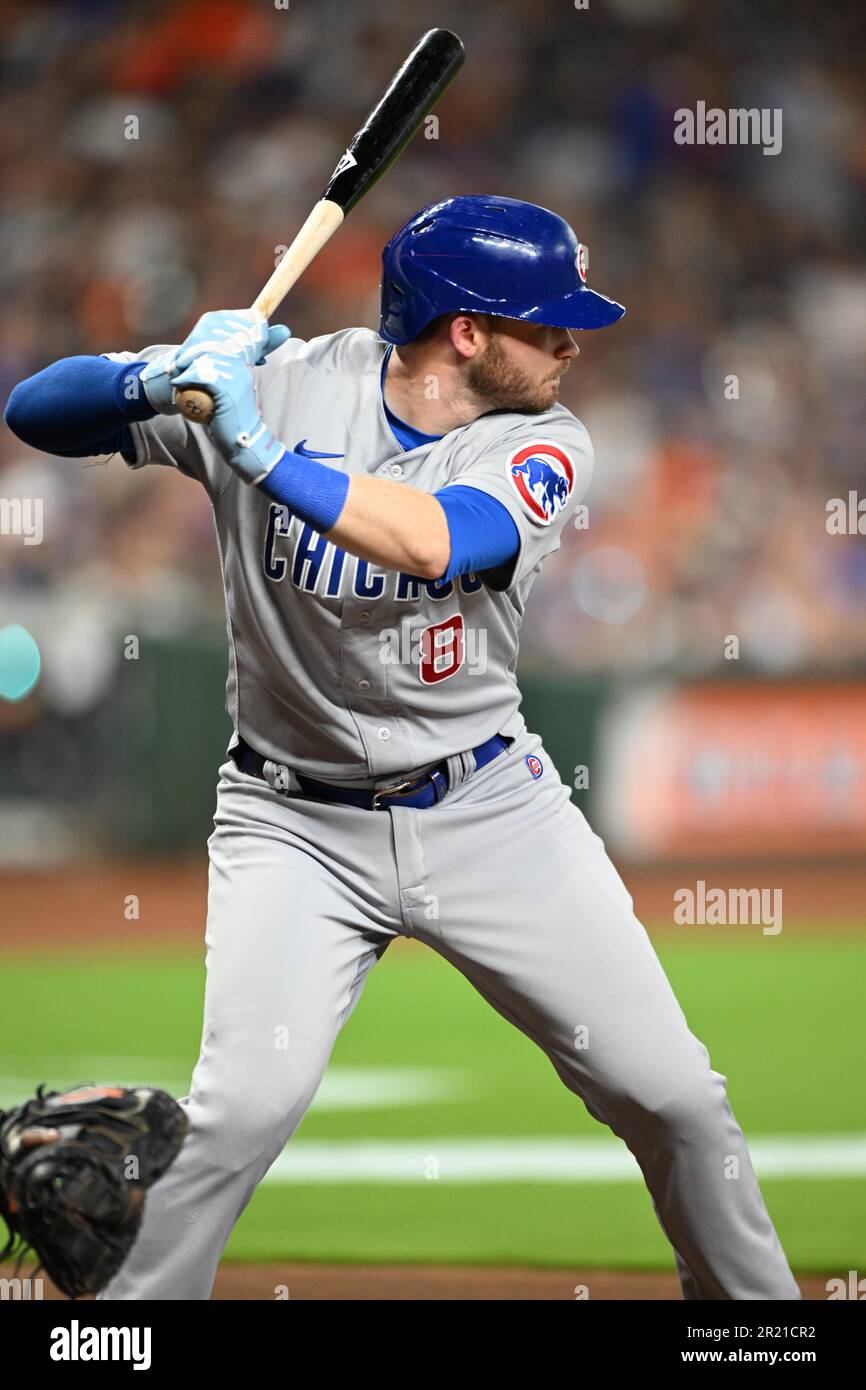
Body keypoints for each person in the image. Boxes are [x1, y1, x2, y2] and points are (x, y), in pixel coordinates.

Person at [4, 195, 801, 1301]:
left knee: (673, 1097)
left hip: (489, 812)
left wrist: (254, 448)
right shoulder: (283, 379)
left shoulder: (540, 439)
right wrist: (156, 376)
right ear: (465, 331)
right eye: (546, 323)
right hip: (293, 823)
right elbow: (33, 411)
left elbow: (436, 542)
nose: (571, 345)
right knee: (238, 1114)